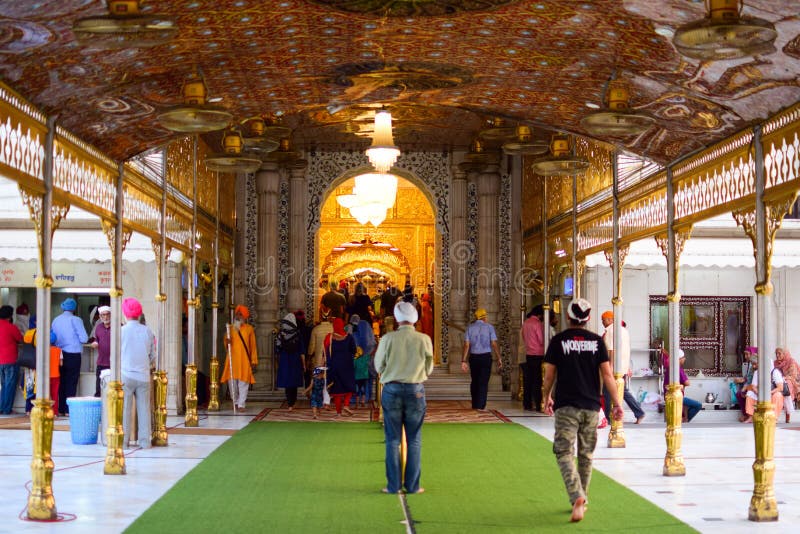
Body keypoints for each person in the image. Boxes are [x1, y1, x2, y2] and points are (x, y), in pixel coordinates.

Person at [542, 298, 624, 523]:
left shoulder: (559, 341)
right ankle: (583, 498)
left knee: (563, 451)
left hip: (566, 406)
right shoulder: (597, 342)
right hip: (591, 407)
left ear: (568, 317)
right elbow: (608, 376)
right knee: (586, 454)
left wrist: (545, 396)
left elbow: (549, 375)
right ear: (588, 318)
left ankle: (576, 495)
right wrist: (617, 404)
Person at [374, 301, 434, 495]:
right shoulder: (424, 339)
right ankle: (413, 486)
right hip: (416, 391)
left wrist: (390, 373)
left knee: (392, 440)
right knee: (414, 439)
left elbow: (378, 365)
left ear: (397, 319)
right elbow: (429, 365)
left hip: (391, 390)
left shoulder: (387, 339)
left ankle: (393, 486)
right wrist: (418, 375)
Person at [120, 298, 156, 448]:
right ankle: (144, 442)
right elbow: (153, 355)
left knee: (125, 410)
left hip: (126, 375)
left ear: (125, 314)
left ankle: (124, 442)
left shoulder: (121, 331)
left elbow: (114, 355)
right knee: (144, 410)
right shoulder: (147, 331)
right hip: (143, 376)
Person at [600, 310, 645, 424]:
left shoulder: (611, 331)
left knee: (607, 392)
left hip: (613, 368)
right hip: (622, 366)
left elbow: (611, 350)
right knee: (622, 391)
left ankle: (609, 419)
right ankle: (639, 413)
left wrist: (609, 367)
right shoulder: (624, 331)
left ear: (610, 320)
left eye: (604, 320)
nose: (602, 322)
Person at [51, 298, 88, 416]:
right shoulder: (76, 319)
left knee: (61, 381)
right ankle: (68, 410)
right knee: (71, 382)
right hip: (73, 354)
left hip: (58, 354)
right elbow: (84, 338)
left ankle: (60, 409)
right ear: (74, 308)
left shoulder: (56, 320)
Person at [461, 308, 502, 410]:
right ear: (484, 317)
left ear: (476, 317)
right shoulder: (489, 327)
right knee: (483, 381)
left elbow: (466, 345)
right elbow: (493, 344)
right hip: (485, 357)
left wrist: (463, 360)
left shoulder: (470, 328)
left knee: (474, 380)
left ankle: (475, 404)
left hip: (474, 357)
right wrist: (499, 357)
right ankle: (481, 405)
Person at [221, 305, 258, 411]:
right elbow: (226, 343)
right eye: (237, 313)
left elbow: (253, 346)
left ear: (245, 317)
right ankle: (235, 401)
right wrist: (226, 342)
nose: (238, 316)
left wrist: (254, 360)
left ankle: (241, 404)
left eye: (240, 314)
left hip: (244, 360)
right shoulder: (231, 328)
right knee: (232, 384)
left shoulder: (249, 329)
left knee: (243, 383)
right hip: (232, 360)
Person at [22, 315, 61, 414]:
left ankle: (28, 409)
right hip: (37, 364)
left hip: (28, 364)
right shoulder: (40, 333)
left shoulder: (28, 332)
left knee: (29, 386)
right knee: (37, 387)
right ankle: (37, 409)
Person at [324, 318, 357, 416]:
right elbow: (354, 350)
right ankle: (346, 405)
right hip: (347, 366)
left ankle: (338, 413)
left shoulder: (329, 337)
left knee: (337, 389)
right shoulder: (349, 337)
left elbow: (325, 352)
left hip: (334, 366)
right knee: (349, 386)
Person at [662, 349, 701, 423]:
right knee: (698, 405)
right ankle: (685, 420)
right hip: (676, 397)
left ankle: (683, 418)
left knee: (685, 405)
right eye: (683, 357)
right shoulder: (678, 369)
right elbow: (687, 383)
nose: (684, 359)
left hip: (669, 396)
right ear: (679, 359)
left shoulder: (670, 368)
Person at [275, 313, 305, 410]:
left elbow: (278, 348)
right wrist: (304, 364)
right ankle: (293, 401)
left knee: (287, 381)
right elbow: (302, 350)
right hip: (295, 359)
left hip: (285, 359)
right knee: (294, 381)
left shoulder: (281, 334)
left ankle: (289, 403)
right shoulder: (298, 333)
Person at [520, 304, 545, 412]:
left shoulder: (525, 323)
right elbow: (541, 340)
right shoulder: (537, 324)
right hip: (538, 355)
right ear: (540, 314)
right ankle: (539, 404)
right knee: (537, 381)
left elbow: (524, 338)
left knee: (528, 381)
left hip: (528, 354)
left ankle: (527, 404)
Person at [350, 313, 377, 407]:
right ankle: (363, 399)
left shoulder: (363, 326)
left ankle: (360, 399)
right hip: (363, 360)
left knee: (361, 381)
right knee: (363, 381)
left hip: (361, 360)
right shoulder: (363, 326)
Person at [0, 305, 22, 414]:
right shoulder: (11, 327)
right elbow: (20, 338)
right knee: (9, 385)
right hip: (10, 360)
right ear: (10, 316)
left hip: (0, 361)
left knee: (4, 385)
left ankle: (1, 407)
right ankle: (6, 409)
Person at [89, 305, 112, 398]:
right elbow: (96, 340)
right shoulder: (98, 327)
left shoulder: (119, 326)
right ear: (100, 316)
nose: (105, 317)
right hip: (101, 362)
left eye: (107, 314)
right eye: (103, 315)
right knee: (99, 388)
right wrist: (95, 343)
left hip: (115, 363)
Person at [774, 347, 798, 423]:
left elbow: (793, 375)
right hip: (779, 382)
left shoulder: (791, 361)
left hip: (791, 380)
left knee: (786, 385)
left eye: (779, 353)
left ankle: (788, 414)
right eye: (776, 353)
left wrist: (783, 378)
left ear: (785, 354)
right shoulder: (775, 363)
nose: (777, 355)